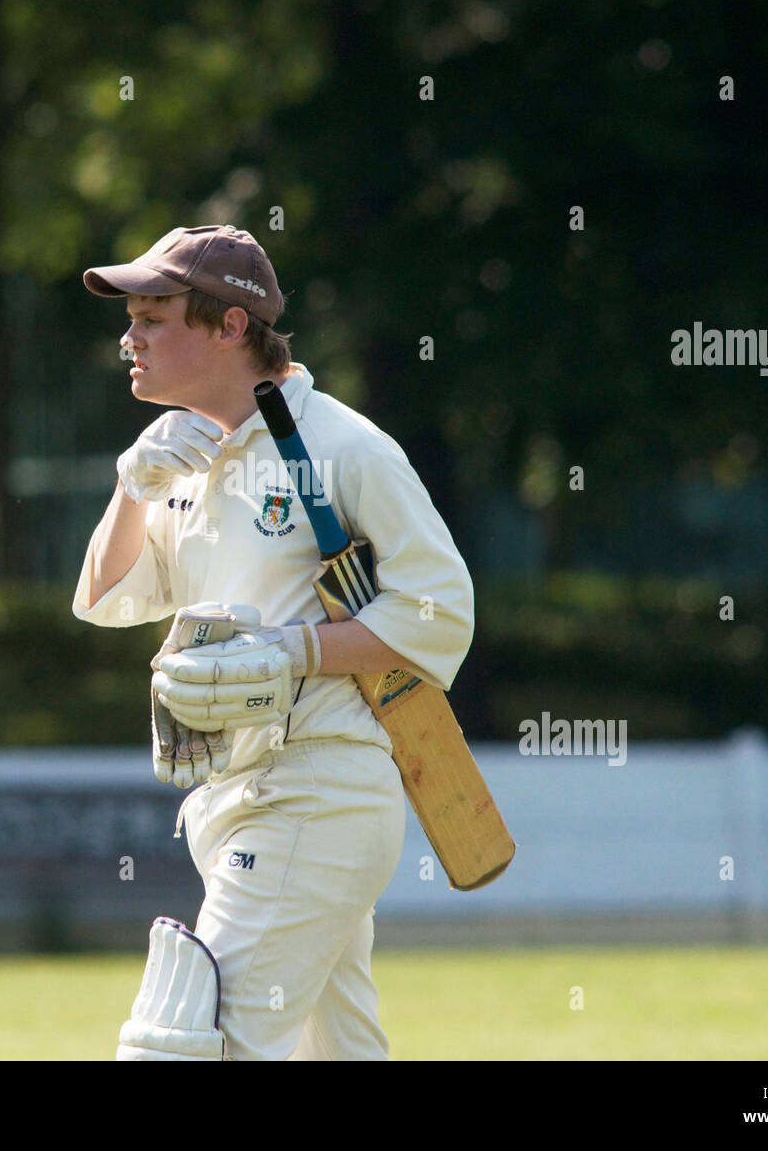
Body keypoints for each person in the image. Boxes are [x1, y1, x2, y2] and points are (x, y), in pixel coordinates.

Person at [72, 224, 474, 1060]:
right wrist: (132, 486)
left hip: (317, 789)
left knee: (193, 1043)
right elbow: (106, 599)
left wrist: (295, 653)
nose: (130, 338)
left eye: (153, 319)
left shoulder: (346, 448)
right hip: (229, 797)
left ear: (230, 326)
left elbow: (440, 611)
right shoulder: (180, 457)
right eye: (131, 320)